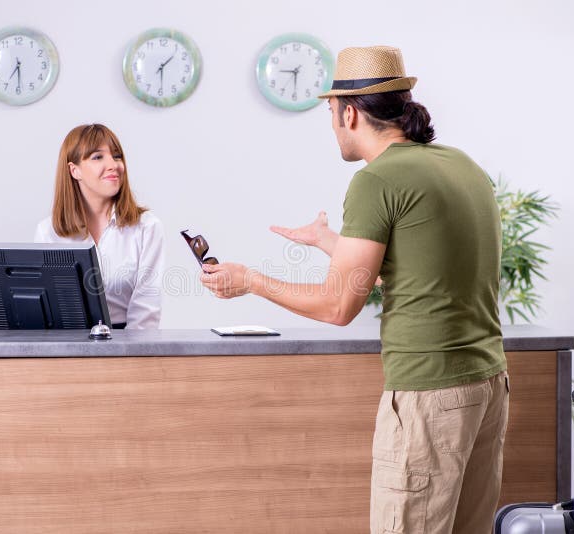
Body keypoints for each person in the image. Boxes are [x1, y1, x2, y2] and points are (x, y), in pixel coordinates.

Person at [200, 46, 508, 534]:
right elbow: (428, 279)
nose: (331, 126)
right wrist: (332, 244)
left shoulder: (377, 180)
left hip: (427, 395)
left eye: (330, 113)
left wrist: (250, 281)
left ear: (349, 111)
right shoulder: (461, 165)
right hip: (486, 386)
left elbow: (337, 306)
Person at [35, 123, 164, 329]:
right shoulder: (48, 231)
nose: (113, 165)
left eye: (117, 156)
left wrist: (125, 357)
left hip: (128, 346)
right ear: (74, 170)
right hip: (67, 344)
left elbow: (145, 313)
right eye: (97, 157)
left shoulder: (146, 227)